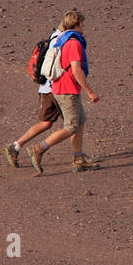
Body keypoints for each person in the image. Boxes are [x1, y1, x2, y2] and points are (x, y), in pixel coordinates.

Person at [30, 10, 101, 174]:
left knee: (80, 120)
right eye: (82, 23)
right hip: (66, 89)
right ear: (76, 24)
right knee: (71, 127)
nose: (84, 26)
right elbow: (76, 70)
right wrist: (90, 92)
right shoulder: (74, 43)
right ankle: (39, 149)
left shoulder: (62, 40)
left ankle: (78, 158)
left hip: (62, 87)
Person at [4, 21, 64, 168]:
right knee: (74, 123)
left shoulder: (52, 37)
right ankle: (77, 157)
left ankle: (16, 146)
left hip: (45, 88)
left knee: (47, 123)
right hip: (56, 89)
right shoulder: (63, 40)